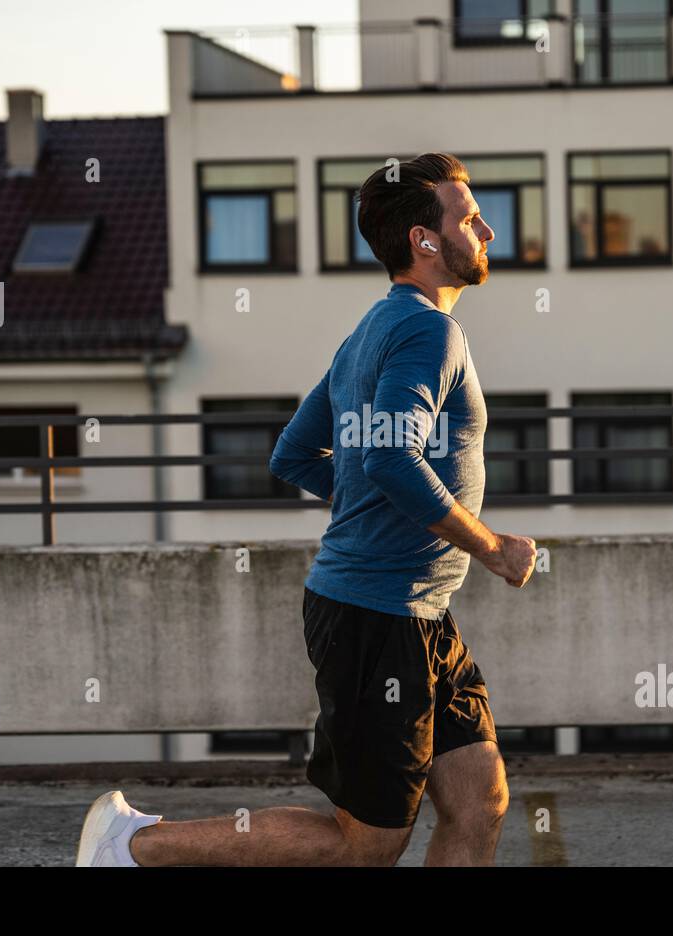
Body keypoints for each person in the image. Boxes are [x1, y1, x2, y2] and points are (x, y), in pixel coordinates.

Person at [76, 152, 537, 868]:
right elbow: (388, 459)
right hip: (375, 618)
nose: (487, 231)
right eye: (469, 218)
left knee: (479, 802)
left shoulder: (368, 335)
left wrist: (376, 508)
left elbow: (294, 456)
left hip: (420, 611)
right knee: (366, 844)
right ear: (424, 239)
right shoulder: (426, 333)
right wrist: (490, 547)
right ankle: (133, 847)